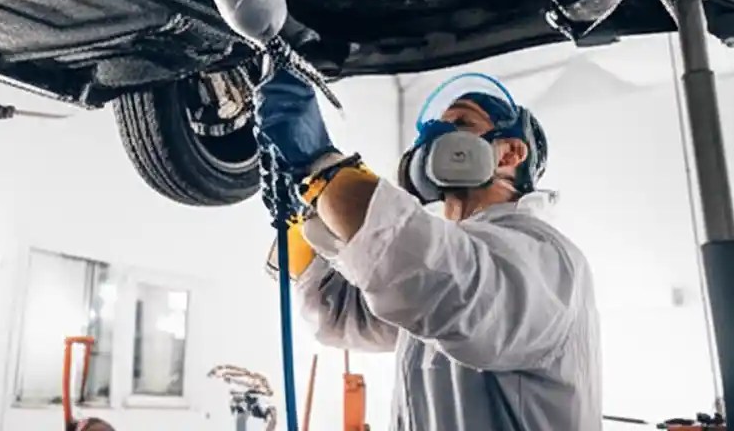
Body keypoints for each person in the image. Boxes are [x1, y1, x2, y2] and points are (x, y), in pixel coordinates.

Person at [258, 68, 602, 430]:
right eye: (433, 127)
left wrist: (320, 168)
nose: (435, 137)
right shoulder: (446, 263)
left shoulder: (545, 256)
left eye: (460, 122)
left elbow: (440, 282)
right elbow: (345, 313)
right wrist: (302, 217)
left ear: (510, 153)